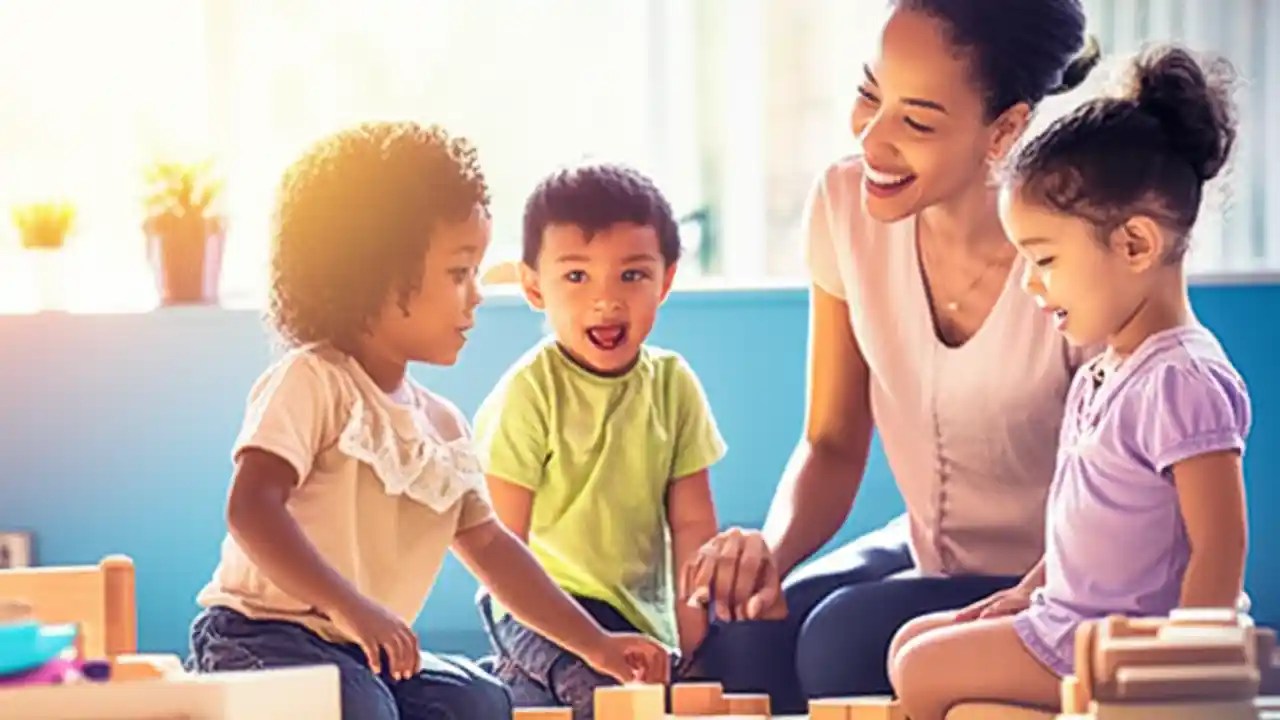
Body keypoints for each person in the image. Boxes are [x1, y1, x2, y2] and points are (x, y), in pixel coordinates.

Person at [679, 0, 1103, 710]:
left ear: (1005, 129)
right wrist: (768, 558)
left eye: (917, 121)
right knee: (741, 638)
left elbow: (1121, 499)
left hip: (1061, 579)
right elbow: (834, 441)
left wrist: (1031, 601)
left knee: (841, 644)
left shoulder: (1076, 250)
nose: (872, 141)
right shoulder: (844, 205)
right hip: (926, 554)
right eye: (869, 94)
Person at [185, 122, 668, 720]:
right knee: (359, 708)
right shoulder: (314, 381)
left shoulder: (441, 426)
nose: (475, 296)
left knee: (479, 700)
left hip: (362, 652)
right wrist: (350, 607)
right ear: (377, 273)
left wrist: (594, 643)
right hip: (257, 637)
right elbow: (251, 508)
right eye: (458, 272)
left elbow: (492, 548)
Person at [888, 44, 1251, 720]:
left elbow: (1221, 542)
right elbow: (1081, 533)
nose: (1028, 284)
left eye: (1045, 259)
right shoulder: (1102, 373)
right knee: (916, 645)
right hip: (1068, 621)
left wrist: (1187, 665)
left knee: (920, 672)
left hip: (1123, 644)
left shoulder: (1182, 378)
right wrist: (1027, 590)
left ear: (1135, 245)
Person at [471, 162, 739, 719]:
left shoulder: (673, 385)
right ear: (532, 286)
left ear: (666, 279)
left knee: (695, 696)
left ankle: (509, 688)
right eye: (576, 277)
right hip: (539, 608)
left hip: (635, 618)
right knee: (603, 697)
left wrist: (695, 649)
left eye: (632, 276)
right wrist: (580, 638)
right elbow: (499, 546)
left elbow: (692, 525)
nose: (606, 301)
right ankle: (506, 677)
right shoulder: (530, 391)